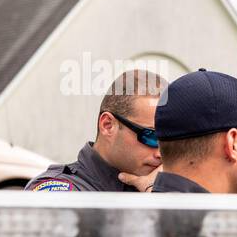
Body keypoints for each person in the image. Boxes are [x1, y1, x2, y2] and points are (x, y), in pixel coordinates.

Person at [26, 69, 166, 191]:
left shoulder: (170, 187)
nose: (161, 153)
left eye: (169, 139)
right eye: (151, 136)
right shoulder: (57, 191)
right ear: (108, 125)